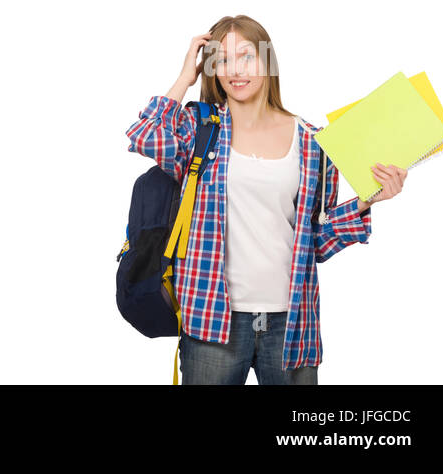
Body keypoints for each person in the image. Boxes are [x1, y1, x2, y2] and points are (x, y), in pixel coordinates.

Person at [125, 15, 408, 385]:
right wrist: (184, 79)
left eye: (246, 56)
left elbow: (315, 242)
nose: (235, 70)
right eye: (222, 60)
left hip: (291, 325)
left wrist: (365, 203)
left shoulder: (312, 142)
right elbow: (144, 135)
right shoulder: (199, 130)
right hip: (212, 320)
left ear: (268, 62)